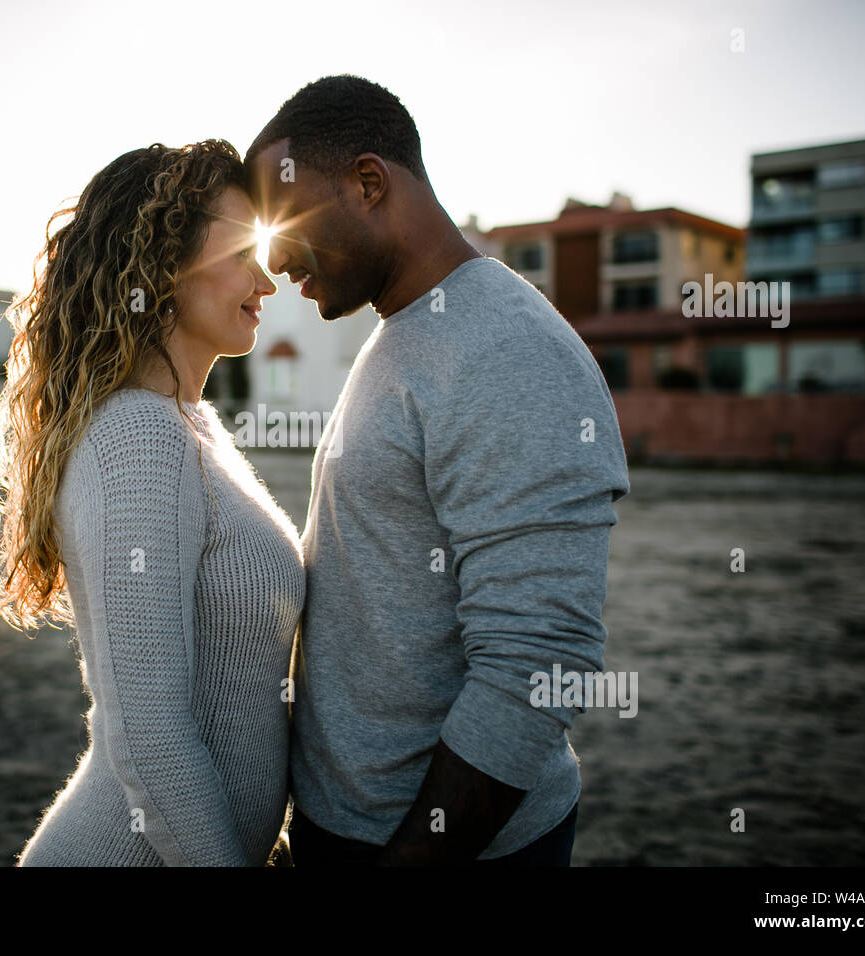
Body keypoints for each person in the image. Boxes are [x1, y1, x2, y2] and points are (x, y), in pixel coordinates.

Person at [244, 75, 631, 866]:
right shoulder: (402, 332)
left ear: (368, 182)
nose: (272, 257)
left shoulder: (506, 349)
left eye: (284, 218)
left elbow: (541, 662)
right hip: (352, 826)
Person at [0, 139, 304, 866]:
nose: (267, 282)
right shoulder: (138, 438)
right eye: (242, 255)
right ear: (164, 266)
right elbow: (148, 738)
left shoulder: (191, 423)